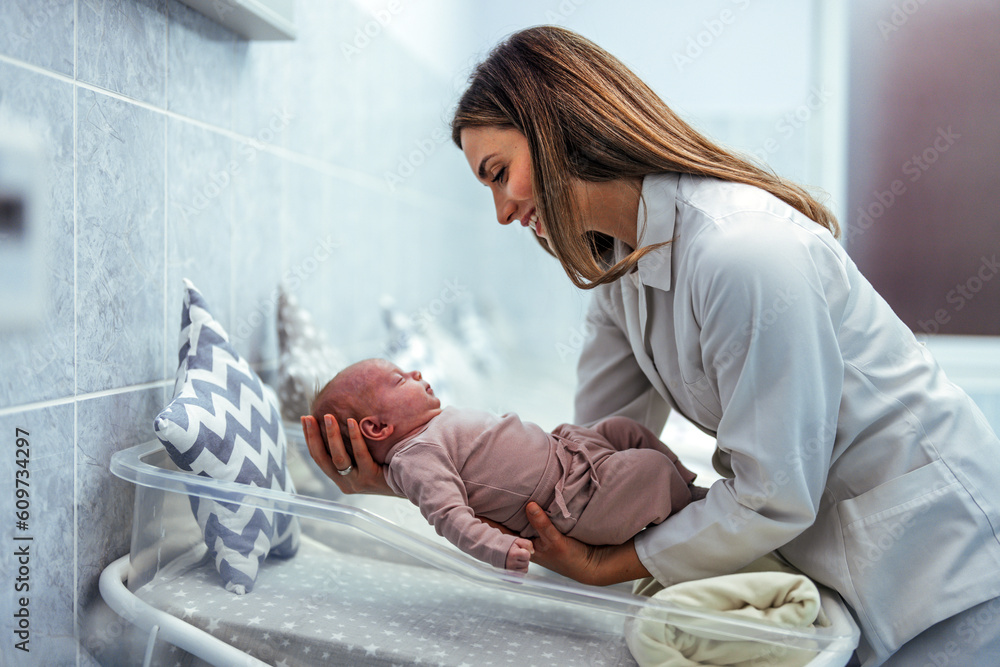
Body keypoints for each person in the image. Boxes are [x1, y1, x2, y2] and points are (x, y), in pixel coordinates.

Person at [303, 26, 1000, 666]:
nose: (502, 211)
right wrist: (404, 475)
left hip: (943, 567)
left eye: (497, 172)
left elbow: (774, 496)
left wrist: (606, 566)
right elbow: (572, 470)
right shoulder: (620, 272)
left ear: (557, 125)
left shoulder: (743, 253)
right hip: (842, 557)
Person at [309, 357, 704, 572]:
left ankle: (689, 487)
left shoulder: (430, 428)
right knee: (649, 468)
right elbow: (449, 517)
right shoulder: (415, 457)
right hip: (574, 501)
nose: (415, 372)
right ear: (377, 427)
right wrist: (498, 548)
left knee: (623, 429)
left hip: (571, 452)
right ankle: (689, 508)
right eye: (399, 380)